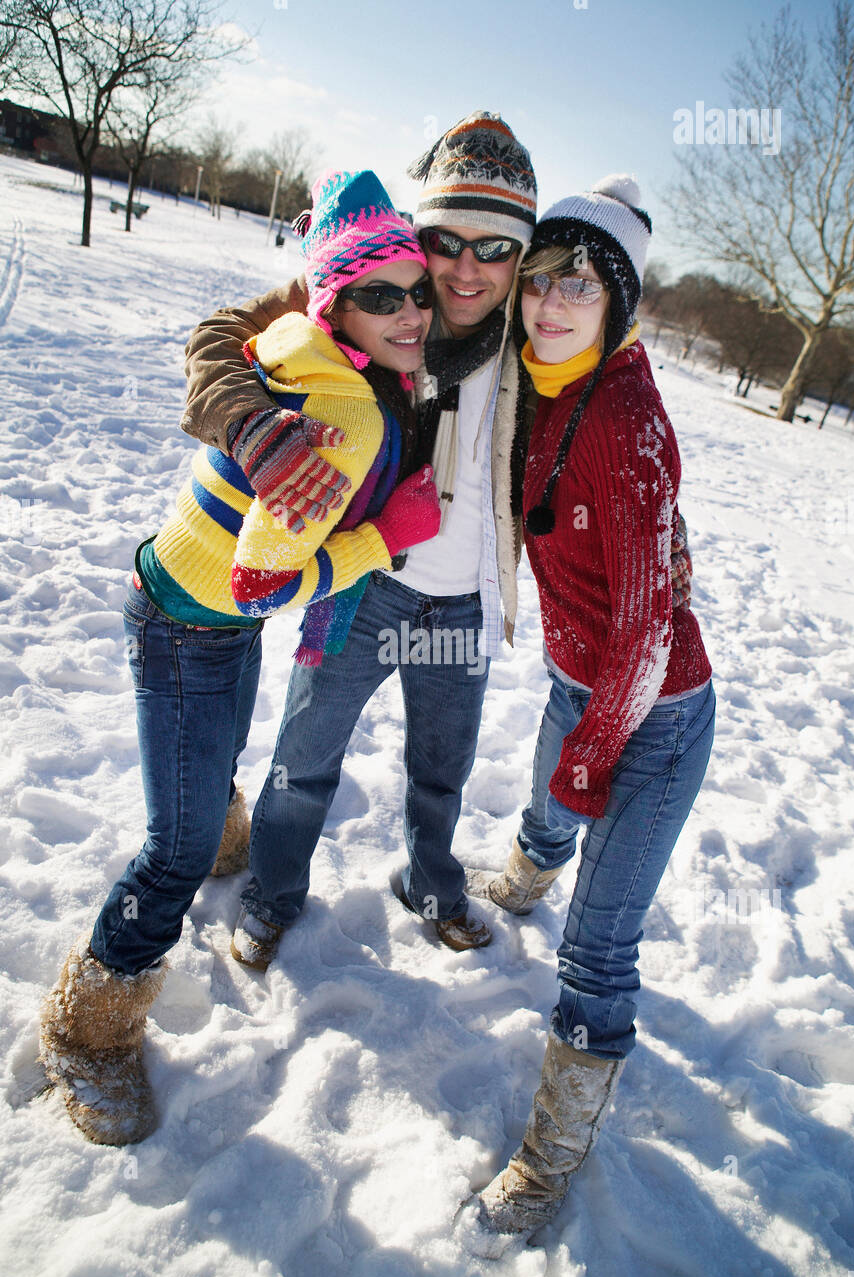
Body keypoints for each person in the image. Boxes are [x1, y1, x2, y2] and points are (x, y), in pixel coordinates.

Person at [39, 169, 441, 1147]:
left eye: (418, 289)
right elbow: (269, 578)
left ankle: (215, 826)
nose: (414, 308)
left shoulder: (358, 359)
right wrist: (383, 538)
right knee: (169, 850)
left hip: (212, 614)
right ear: (332, 293)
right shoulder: (331, 389)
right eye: (382, 293)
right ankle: (87, 1030)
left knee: (210, 763)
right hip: (189, 617)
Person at [180, 112, 543, 967]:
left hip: (460, 605)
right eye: (445, 239)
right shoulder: (369, 291)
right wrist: (250, 427)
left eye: (494, 248)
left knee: (442, 771)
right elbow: (216, 340)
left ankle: (432, 882)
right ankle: (271, 893)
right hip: (364, 586)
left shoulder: (537, 338)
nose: (462, 269)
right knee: (306, 757)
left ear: (521, 258)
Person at [467, 177, 715, 1239]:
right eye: (540, 278)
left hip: (655, 715)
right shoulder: (534, 375)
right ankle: (526, 866)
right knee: (544, 807)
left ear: (621, 303)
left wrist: (593, 752)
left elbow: (651, 638)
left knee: (597, 950)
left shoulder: (624, 419)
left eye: (581, 282)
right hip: (583, 679)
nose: (550, 301)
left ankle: (550, 1156)